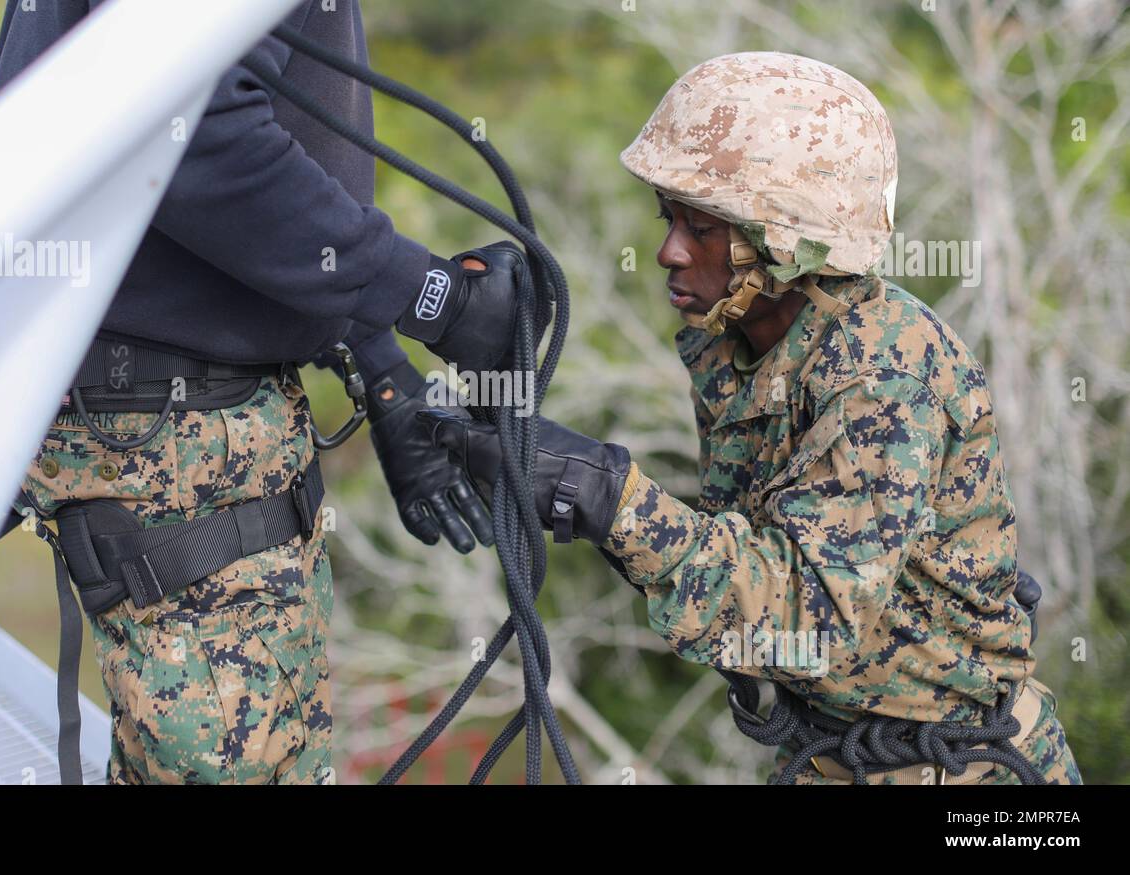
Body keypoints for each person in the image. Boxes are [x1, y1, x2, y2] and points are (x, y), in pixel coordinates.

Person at [418, 51, 1082, 784]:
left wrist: (611, 499)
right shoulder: (741, 341)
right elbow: (739, 558)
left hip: (958, 771)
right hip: (833, 758)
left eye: (701, 230)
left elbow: (809, 623)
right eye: (670, 220)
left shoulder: (879, 378)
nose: (668, 251)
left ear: (784, 243)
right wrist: (507, 421)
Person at [0, 0, 521, 784]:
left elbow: (260, 123)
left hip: (179, 418)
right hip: (177, 437)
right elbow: (192, 128)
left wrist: (379, 363)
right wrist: (429, 294)